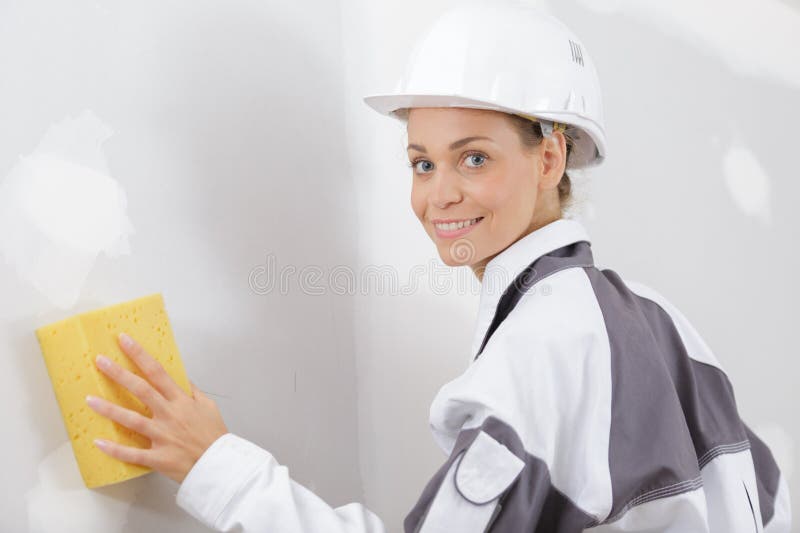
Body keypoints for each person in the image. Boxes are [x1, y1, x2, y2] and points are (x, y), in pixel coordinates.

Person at [85, 2, 792, 531]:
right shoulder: (655, 318)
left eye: (473, 157)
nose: (438, 194)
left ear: (549, 157)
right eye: (422, 162)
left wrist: (214, 466)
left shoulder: (537, 356)